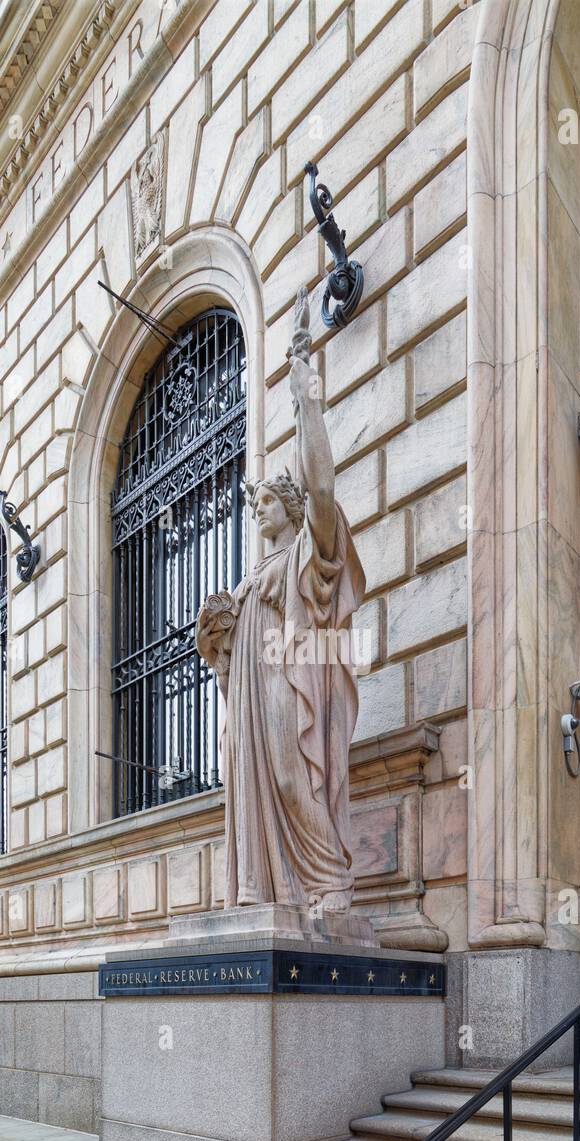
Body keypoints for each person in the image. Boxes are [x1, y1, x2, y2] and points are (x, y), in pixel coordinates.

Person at [196, 287, 366, 913]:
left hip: (289, 685)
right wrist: (217, 647)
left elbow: (321, 482)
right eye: (257, 499)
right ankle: (259, 889)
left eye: (267, 498)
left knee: (298, 782)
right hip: (247, 698)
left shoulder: (309, 553)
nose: (257, 505)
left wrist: (303, 386)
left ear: (289, 509)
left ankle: (327, 881)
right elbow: (224, 666)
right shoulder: (252, 575)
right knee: (249, 794)